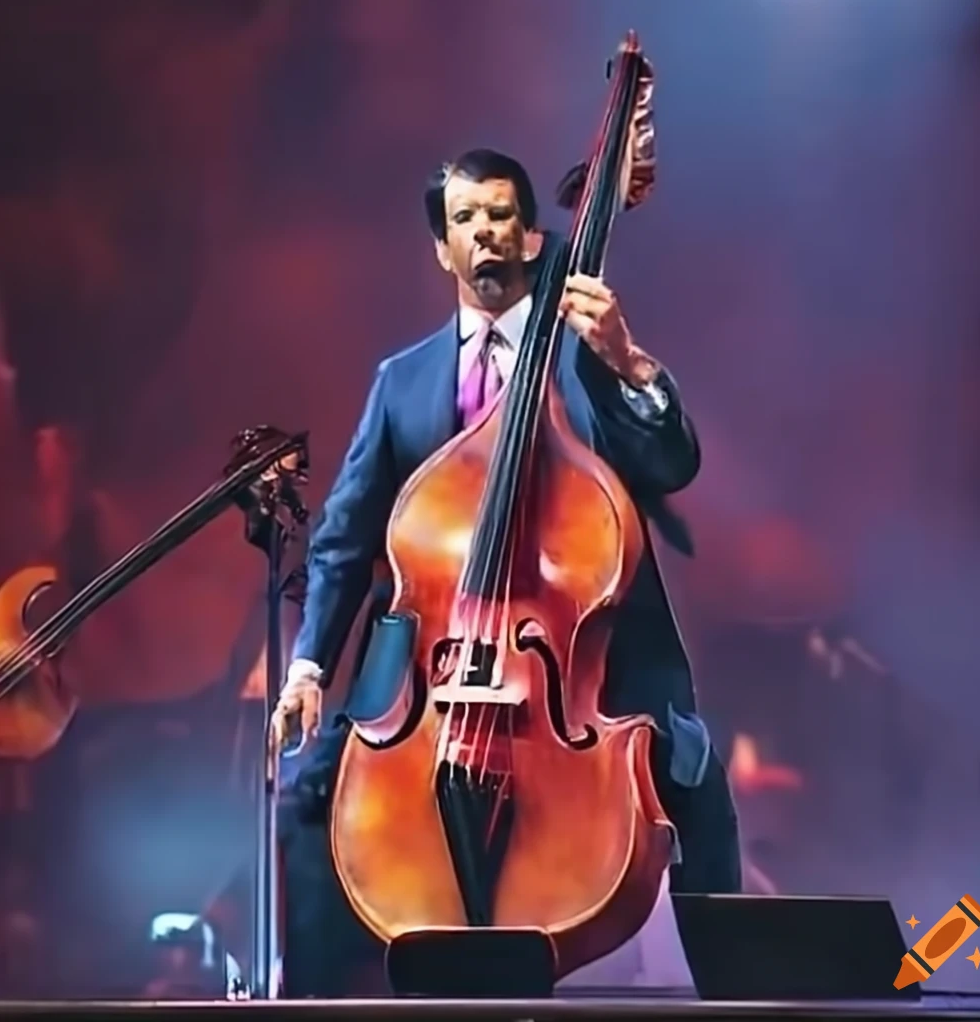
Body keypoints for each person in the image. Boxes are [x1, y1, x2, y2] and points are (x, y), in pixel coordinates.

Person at [272, 149, 741, 991]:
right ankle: (318, 1002)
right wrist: (308, 665)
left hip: (585, 659)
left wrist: (630, 365)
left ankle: (739, 998)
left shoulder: (583, 356)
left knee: (691, 775)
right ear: (442, 250)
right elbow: (344, 536)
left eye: (499, 215)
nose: (483, 232)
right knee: (310, 795)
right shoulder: (402, 382)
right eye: (464, 220)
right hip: (437, 665)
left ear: (530, 237)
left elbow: (672, 464)